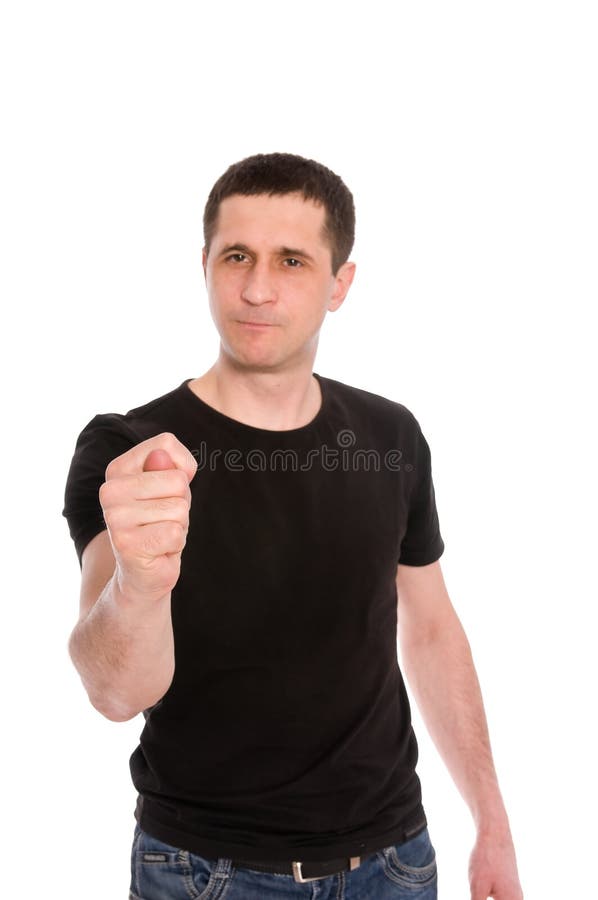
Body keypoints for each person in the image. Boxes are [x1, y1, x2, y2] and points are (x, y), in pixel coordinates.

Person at [63, 153, 523, 900]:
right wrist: (143, 584)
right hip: (205, 872)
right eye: (236, 255)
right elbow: (115, 694)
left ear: (339, 283)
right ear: (205, 264)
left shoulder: (390, 434)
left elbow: (432, 627)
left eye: (293, 261)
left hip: (396, 864)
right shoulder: (131, 452)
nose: (256, 288)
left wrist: (492, 822)